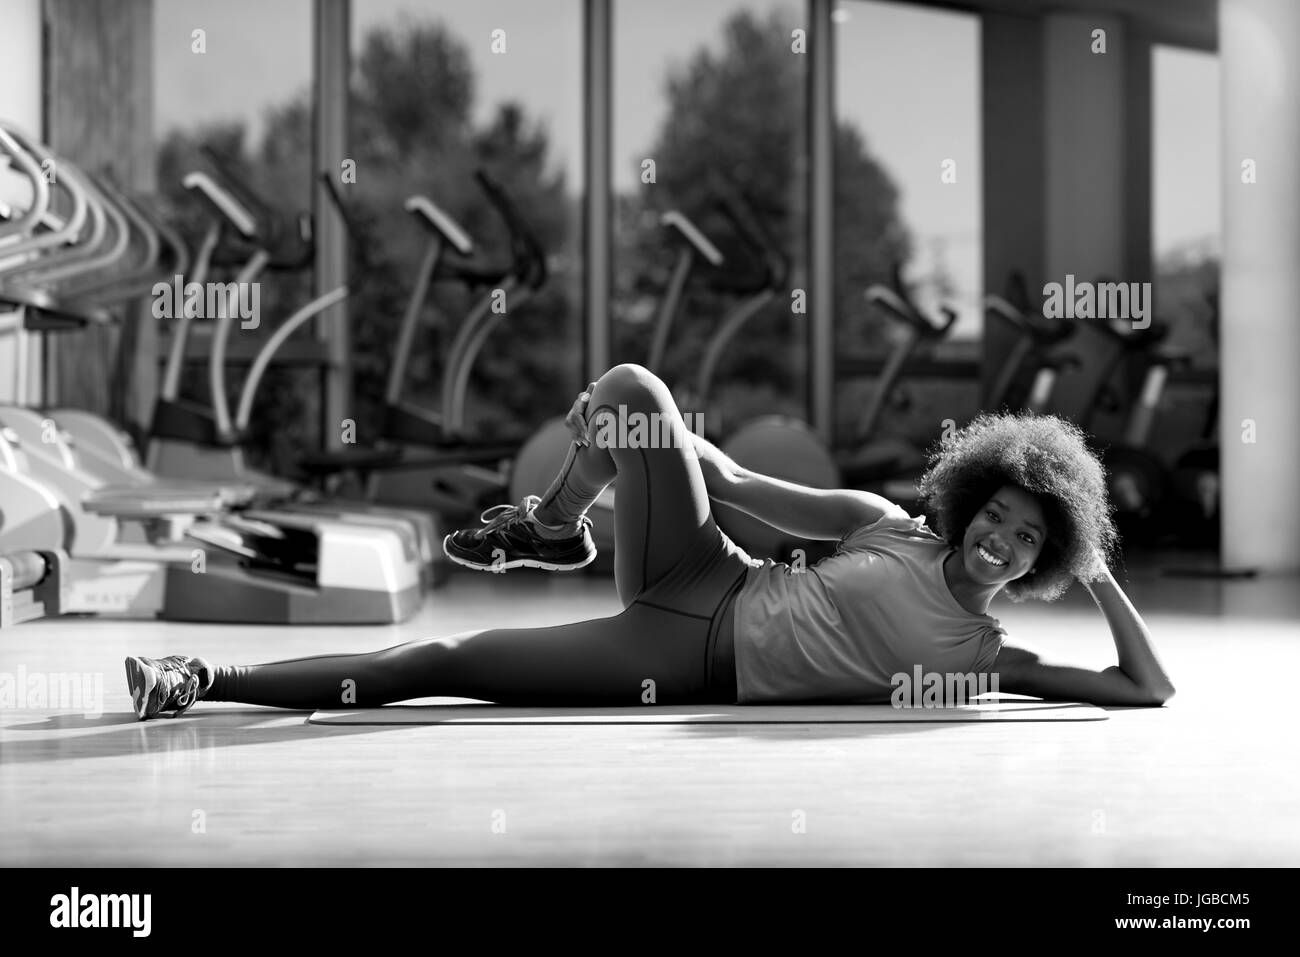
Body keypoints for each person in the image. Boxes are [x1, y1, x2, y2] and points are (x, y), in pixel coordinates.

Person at [125, 363, 1175, 720]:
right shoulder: (883, 523)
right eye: (998, 513)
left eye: (1027, 539)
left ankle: (195, 676)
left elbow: (1144, 692)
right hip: (709, 572)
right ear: (974, 496)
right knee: (631, 392)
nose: (998, 538)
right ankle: (553, 527)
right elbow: (737, 485)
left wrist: (1099, 579)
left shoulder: (991, 661)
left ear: (1042, 560)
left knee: (440, 667)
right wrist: (656, 445)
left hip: (682, 662)